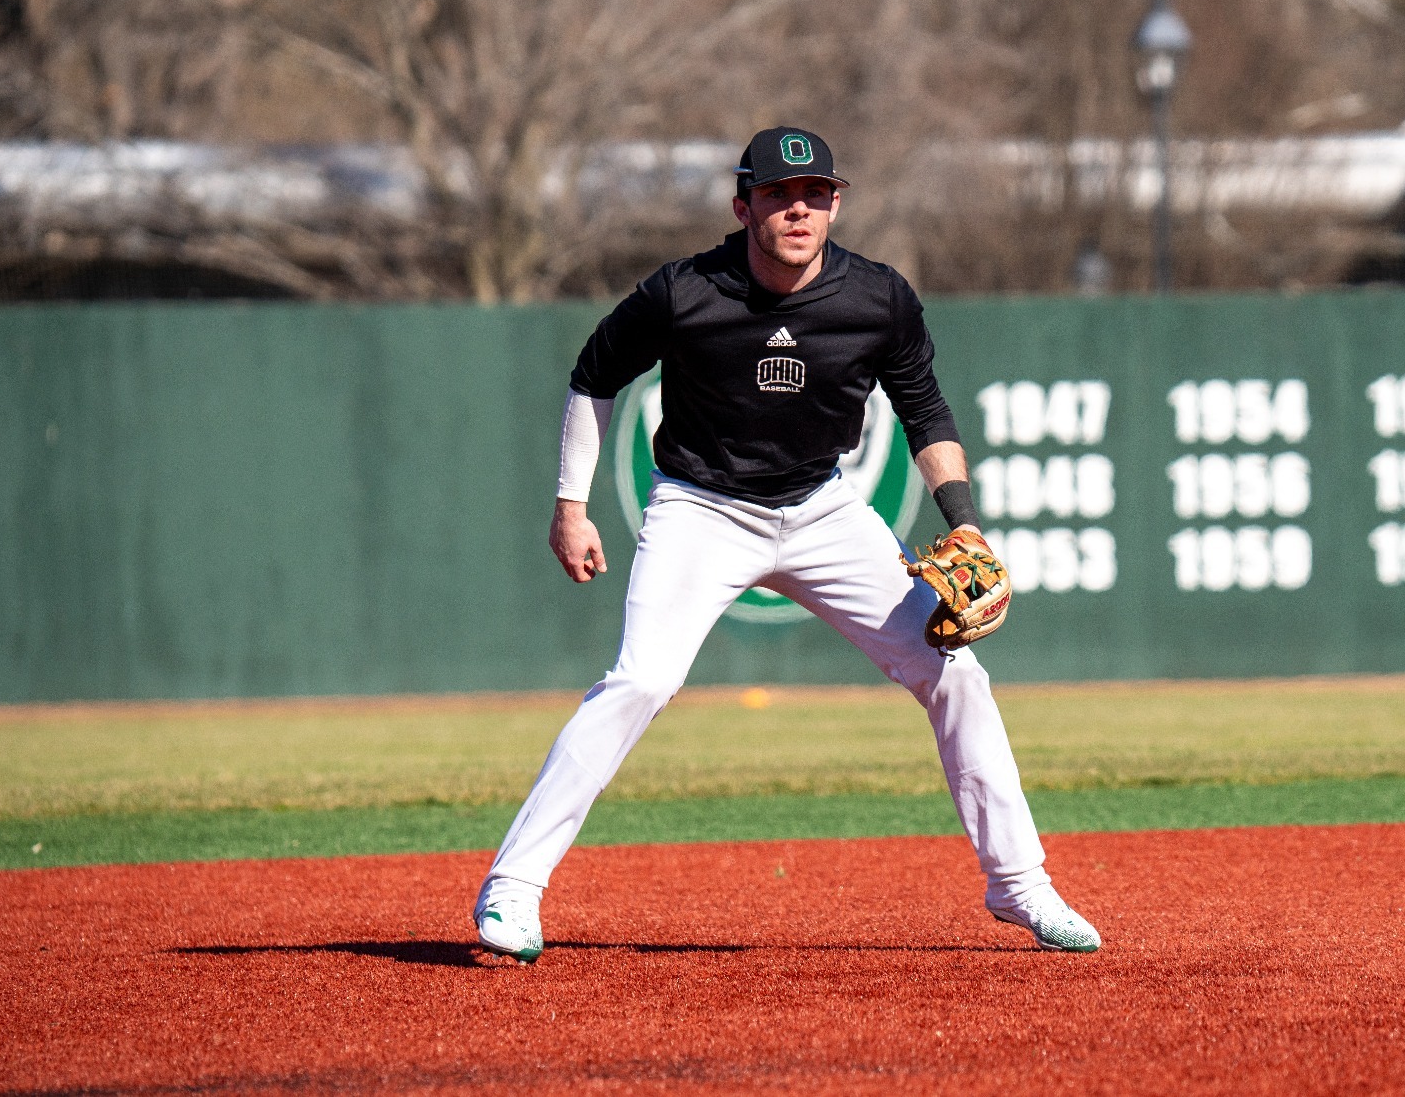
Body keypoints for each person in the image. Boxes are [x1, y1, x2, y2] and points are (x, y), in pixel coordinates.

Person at [471, 127, 1100, 963]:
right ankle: (512, 890)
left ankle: (1019, 884)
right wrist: (570, 506)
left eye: (815, 194)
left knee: (954, 673)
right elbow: (594, 376)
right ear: (744, 206)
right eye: (777, 194)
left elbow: (927, 411)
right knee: (641, 680)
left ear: (836, 203)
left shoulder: (876, 298)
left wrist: (964, 522)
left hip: (821, 510)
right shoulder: (684, 292)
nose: (798, 209)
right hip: (702, 507)